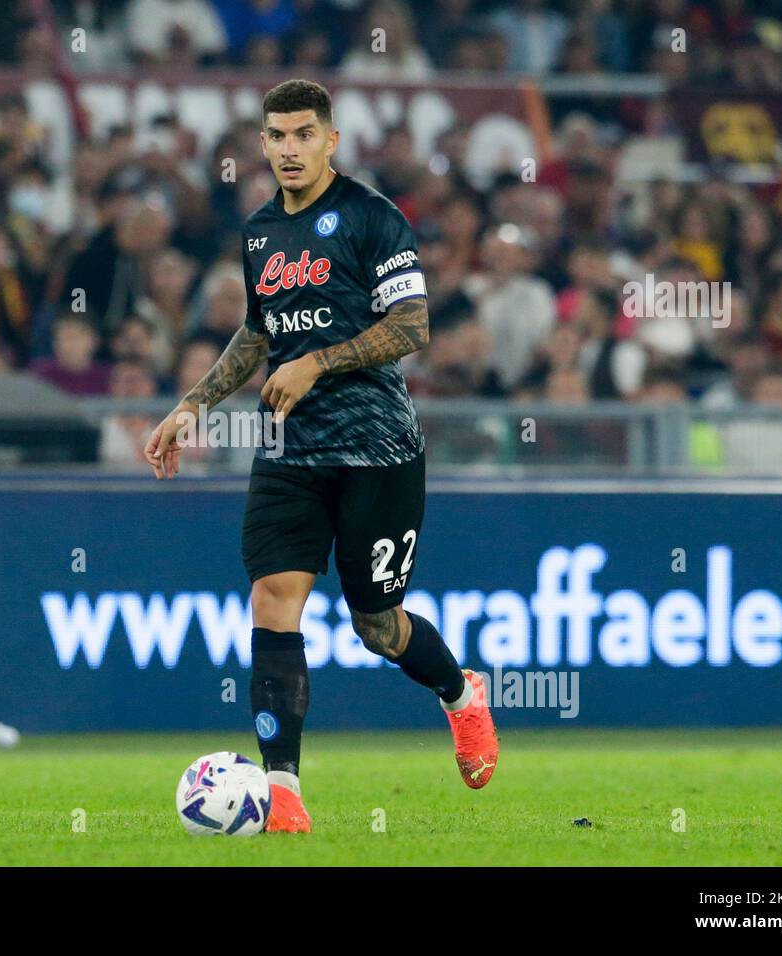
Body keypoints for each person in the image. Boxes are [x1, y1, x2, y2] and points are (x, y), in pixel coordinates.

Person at [144, 80, 498, 834]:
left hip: (379, 451)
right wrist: (192, 404)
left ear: (330, 140)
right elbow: (258, 332)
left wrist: (319, 363)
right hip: (289, 449)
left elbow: (411, 326)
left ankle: (461, 694)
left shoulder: (373, 218)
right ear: (263, 144)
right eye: (276, 136)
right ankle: (284, 794)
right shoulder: (261, 232)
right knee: (274, 597)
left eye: (304, 134)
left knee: (376, 622)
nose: (289, 148)